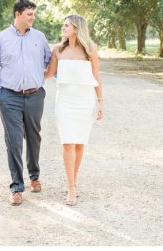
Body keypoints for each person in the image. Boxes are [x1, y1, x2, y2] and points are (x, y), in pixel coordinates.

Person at [0, 0, 52, 206]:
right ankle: (16, 187)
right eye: (29, 14)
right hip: (9, 97)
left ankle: (34, 176)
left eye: (34, 14)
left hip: (35, 96)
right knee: (13, 141)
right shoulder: (0, 39)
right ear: (17, 14)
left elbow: (50, 61)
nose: (33, 18)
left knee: (34, 137)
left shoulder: (40, 38)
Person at [44, 14, 104, 206]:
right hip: (65, 101)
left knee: (79, 144)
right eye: (63, 25)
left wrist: (100, 102)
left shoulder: (90, 50)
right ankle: (71, 187)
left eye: (66, 25)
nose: (63, 28)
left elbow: (96, 77)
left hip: (85, 101)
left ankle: (73, 182)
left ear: (77, 28)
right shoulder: (58, 50)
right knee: (67, 143)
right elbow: (48, 74)